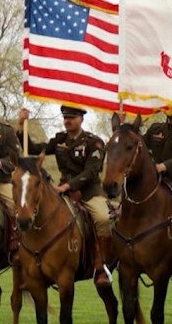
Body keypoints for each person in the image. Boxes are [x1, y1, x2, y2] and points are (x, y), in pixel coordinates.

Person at [17, 105, 113, 286]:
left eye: (72, 117)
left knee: (102, 218)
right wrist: (22, 126)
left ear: (81, 119)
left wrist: (67, 186)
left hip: (88, 192)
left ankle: (101, 265)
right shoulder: (60, 139)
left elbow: (91, 172)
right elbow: (35, 149)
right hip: (62, 191)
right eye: (65, 117)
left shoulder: (94, 142)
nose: (67, 121)